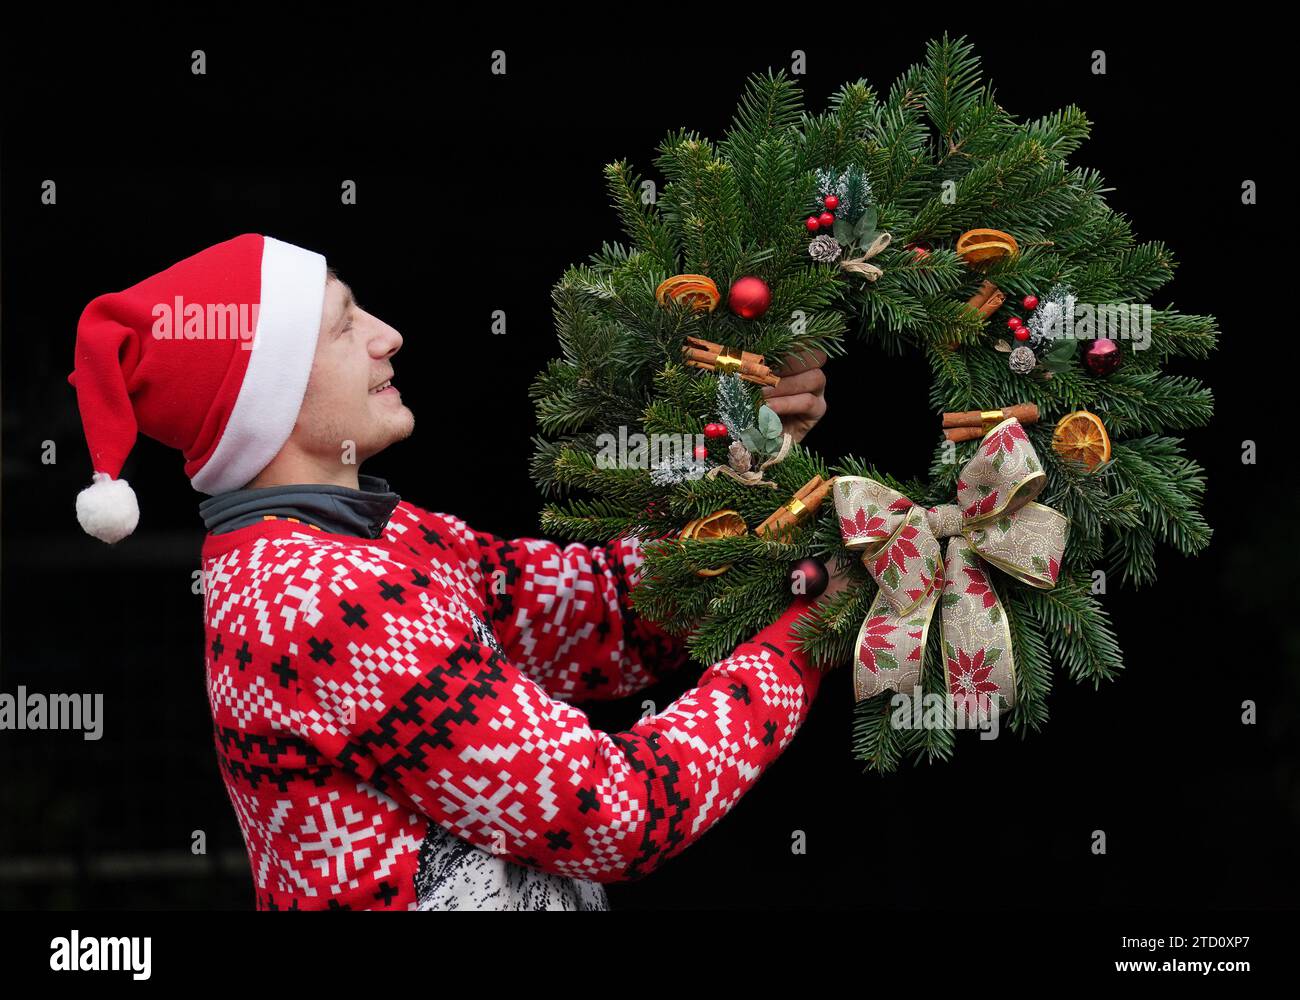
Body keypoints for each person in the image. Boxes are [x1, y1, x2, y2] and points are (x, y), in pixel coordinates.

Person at [67, 233, 846, 911]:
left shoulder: (376, 537)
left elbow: (606, 618)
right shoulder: (320, 597)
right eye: (343, 327)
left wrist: (738, 447)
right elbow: (614, 815)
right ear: (262, 399)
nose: (387, 336)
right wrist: (811, 632)